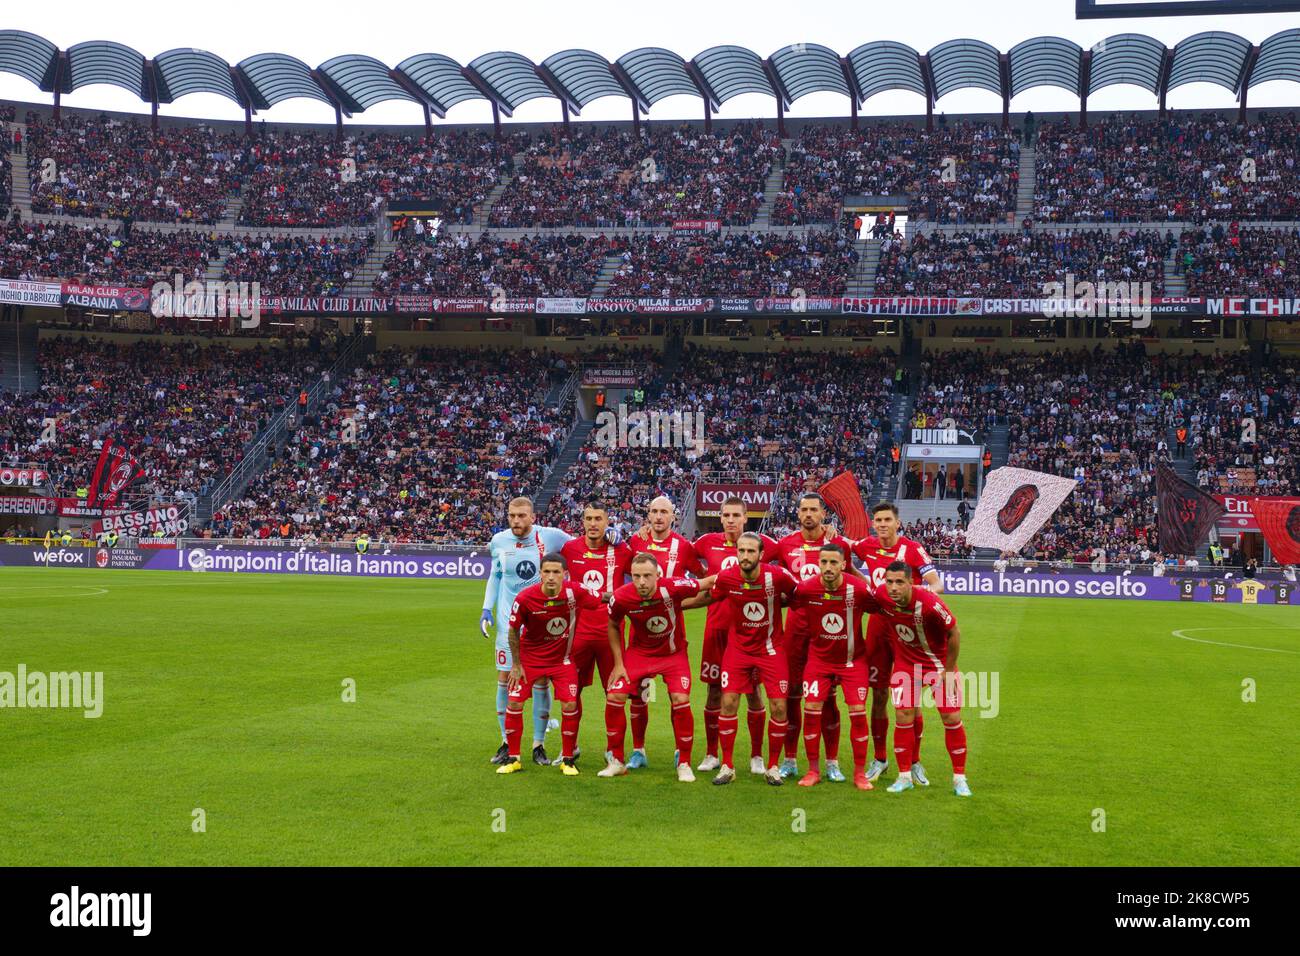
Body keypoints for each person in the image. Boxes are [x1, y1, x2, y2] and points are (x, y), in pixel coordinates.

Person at [689, 532, 796, 786]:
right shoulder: (726, 578)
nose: (745, 556)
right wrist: (675, 604)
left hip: (771, 650)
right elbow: (708, 597)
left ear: (761, 554)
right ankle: (727, 765)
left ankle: (772, 766)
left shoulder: (777, 576)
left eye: (750, 551)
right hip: (737, 651)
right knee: (728, 703)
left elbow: (796, 595)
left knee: (779, 707)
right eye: (741, 551)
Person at [850, 501, 944, 784]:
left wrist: (911, 594)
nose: (882, 524)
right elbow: (841, 552)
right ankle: (880, 759)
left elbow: (937, 585)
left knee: (911, 700)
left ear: (897, 523)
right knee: (878, 696)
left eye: (887, 519)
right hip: (879, 628)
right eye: (878, 520)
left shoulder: (912, 549)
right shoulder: (866, 546)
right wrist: (864, 583)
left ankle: (914, 762)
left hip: (907, 630)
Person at [600, 554, 715, 781]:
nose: (641, 582)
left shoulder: (673, 587)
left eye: (647, 576)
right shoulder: (622, 597)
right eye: (636, 576)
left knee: (680, 699)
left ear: (658, 576)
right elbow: (613, 625)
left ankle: (684, 763)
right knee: (615, 695)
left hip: (673, 655)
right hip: (639, 655)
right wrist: (619, 663)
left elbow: (709, 582)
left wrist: (740, 576)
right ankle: (616, 760)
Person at [771, 493, 862, 780]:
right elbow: (753, 558)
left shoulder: (837, 546)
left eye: (814, 509)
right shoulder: (785, 544)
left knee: (829, 699)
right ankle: (790, 759)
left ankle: (832, 762)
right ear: (798, 514)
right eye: (804, 510)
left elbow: (854, 575)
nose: (808, 514)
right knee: (793, 696)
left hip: (830, 633)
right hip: (796, 632)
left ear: (823, 513)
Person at [481, 497, 573, 766]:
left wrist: (613, 536)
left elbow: (578, 547)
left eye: (522, 516)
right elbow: (495, 576)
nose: (516, 521)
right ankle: (507, 742)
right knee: (506, 677)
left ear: (533, 516)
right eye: (511, 516)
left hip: (540, 624)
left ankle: (538, 744)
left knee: (541, 680)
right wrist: (487, 608)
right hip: (509, 625)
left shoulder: (552, 537)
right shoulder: (498, 541)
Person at [790, 544, 888, 790]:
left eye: (834, 563)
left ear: (844, 564)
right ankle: (813, 770)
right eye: (823, 562)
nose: (828, 568)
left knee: (857, 712)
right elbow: (790, 604)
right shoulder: (806, 588)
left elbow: (880, 606)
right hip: (819, 661)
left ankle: (859, 774)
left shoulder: (858, 589)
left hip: (853, 662)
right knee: (811, 709)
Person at [497, 553, 600, 775]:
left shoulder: (575, 591)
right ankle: (513, 758)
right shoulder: (525, 598)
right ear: (540, 574)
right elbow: (513, 630)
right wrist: (516, 665)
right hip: (529, 662)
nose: (551, 577)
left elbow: (603, 597)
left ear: (565, 574)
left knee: (570, 705)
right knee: (514, 704)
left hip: (561, 661)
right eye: (546, 572)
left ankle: (568, 759)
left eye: (556, 572)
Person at [877, 562, 971, 797]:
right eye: (890, 582)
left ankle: (959, 778)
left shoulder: (929, 603)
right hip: (906, 666)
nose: (894, 587)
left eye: (900, 582)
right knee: (903, 714)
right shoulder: (881, 596)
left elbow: (954, 632)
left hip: (938, 666)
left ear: (911, 582)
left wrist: (949, 671)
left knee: (951, 716)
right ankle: (904, 776)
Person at [559, 500, 632, 764]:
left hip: (610, 633)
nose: (593, 524)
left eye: (598, 519)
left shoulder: (620, 550)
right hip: (577, 634)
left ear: (607, 521)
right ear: (583, 521)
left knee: (615, 694)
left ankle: (614, 751)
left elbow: (645, 569)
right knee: (571, 693)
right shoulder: (570, 548)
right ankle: (570, 748)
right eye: (588, 518)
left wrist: (625, 542)